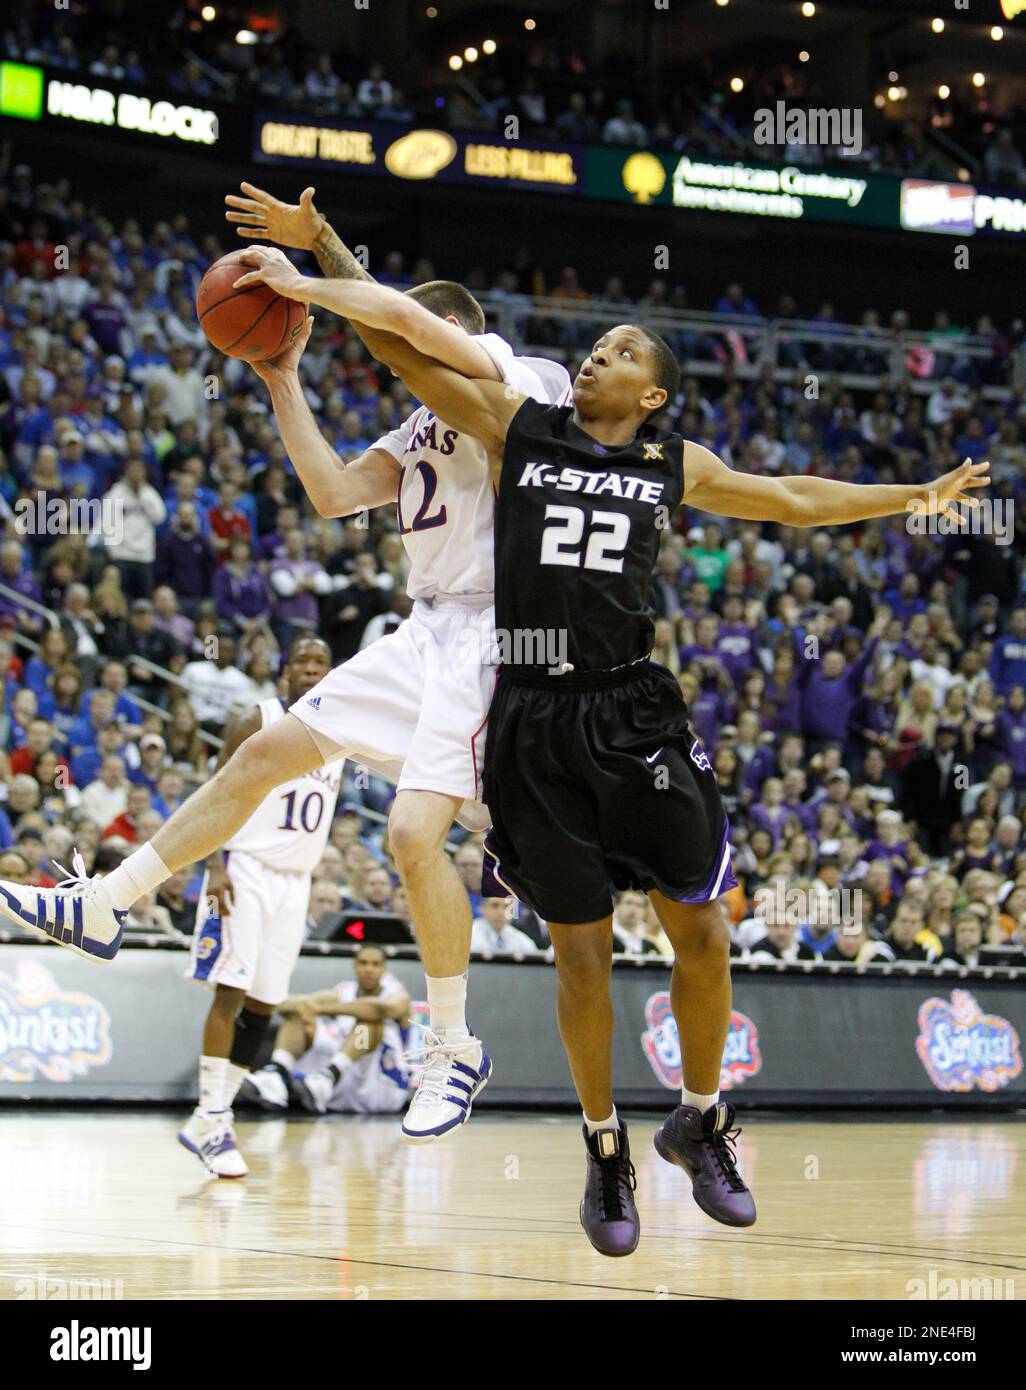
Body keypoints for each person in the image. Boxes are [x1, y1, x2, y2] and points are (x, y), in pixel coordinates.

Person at [209, 258, 987, 1255]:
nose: (597, 355)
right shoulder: (521, 428)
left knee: (700, 931)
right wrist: (313, 278)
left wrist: (910, 494)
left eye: (621, 352)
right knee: (579, 954)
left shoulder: (676, 462)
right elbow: (407, 349)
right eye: (596, 344)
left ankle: (698, 1120)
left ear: (650, 392)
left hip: (634, 715)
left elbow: (790, 496)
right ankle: (604, 1145)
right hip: (533, 720)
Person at [0, 183, 572, 1156]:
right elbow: (333, 491)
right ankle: (107, 901)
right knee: (264, 755)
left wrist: (311, 264)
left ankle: (451, 1042)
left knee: (407, 832)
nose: (396, 359)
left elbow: (394, 320)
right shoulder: (421, 425)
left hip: (497, 636)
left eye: (413, 338)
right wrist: (281, 376)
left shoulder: (520, 378)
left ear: (456, 334)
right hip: (422, 629)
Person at [178, 636, 341, 1179]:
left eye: (321, 662)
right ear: (285, 669)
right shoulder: (258, 717)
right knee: (231, 991)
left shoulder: (344, 729)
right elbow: (216, 793)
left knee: (266, 1003)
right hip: (244, 868)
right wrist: (215, 863)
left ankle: (210, 1117)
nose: (312, 670)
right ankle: (213, 1113)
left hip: (296, 882)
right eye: (303, 662)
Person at [242, 944, 412, 1114]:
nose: (369, 969)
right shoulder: (343, 991)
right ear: (355, 966)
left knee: (368, 1023)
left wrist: (321, 1008)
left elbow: (380, 1010)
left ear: (384, 969)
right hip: (343, 1080)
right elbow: (284, 1005)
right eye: (363, 963)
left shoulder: (397, 994)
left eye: (375, 964)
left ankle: (328, 1076)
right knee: (296, 1016)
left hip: (381, 1086)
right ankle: (276, 1075)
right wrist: (305, 1006)